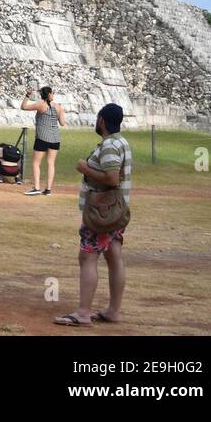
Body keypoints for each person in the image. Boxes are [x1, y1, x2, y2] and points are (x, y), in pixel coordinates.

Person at [55, 103, 132, 327]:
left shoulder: (109, 146)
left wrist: (85, 168)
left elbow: (111, 178)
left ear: (101, 120)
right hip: (116, 210)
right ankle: (113, 311)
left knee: (88, 257)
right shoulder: (122, 142)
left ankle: (83, 313)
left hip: (101, 213)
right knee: (114, 256)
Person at [21, 85, 65, 195]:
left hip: (43, 138)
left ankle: (36, 188)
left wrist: (27, 96)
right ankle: (48, 189)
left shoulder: (41, 104)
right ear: (49, 94)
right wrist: (60, 113)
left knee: (36, 163)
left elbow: (24, 107)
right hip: (55, 139)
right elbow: (63, 123)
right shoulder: (58, 107)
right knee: (51, 163)